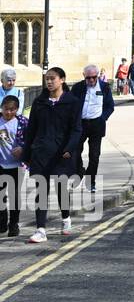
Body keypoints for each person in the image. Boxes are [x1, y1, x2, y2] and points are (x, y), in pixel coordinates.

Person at [18, 67, 83, 242]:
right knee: (41, 190)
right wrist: (27, 153)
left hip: (62, 154)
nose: (49, 82)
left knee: (61, 188)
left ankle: (66, 218)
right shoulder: (40, 103)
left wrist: (69, 149)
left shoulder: (72, 102)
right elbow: (31, 129)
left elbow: (77, 129)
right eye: (47, 79)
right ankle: (41, 230)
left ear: (62, 79)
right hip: (41, 152)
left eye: (52, 78)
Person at [71, 64, 115, 195]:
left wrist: (103, 118)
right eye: (88, 78)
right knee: (74, 151)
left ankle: (91, 181)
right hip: (81, 124)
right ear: (84, 76)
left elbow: (110, 106)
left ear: (97, 76)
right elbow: (71, 105)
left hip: (97, 124)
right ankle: (79, 172)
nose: (91, 80)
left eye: (93, 77)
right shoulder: (78, 87)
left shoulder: (104, 87)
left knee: (94, 156)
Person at [1, 94, 28, 236]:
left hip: (17, 165)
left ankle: (14, 225)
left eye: (12, 109)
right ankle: (2, 222)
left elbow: (32, 139)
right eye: (6, 109)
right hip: (1, 165)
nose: (8, 112)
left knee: (14, 196)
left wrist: (23, 148)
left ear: (17, 109)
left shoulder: (22, 122)